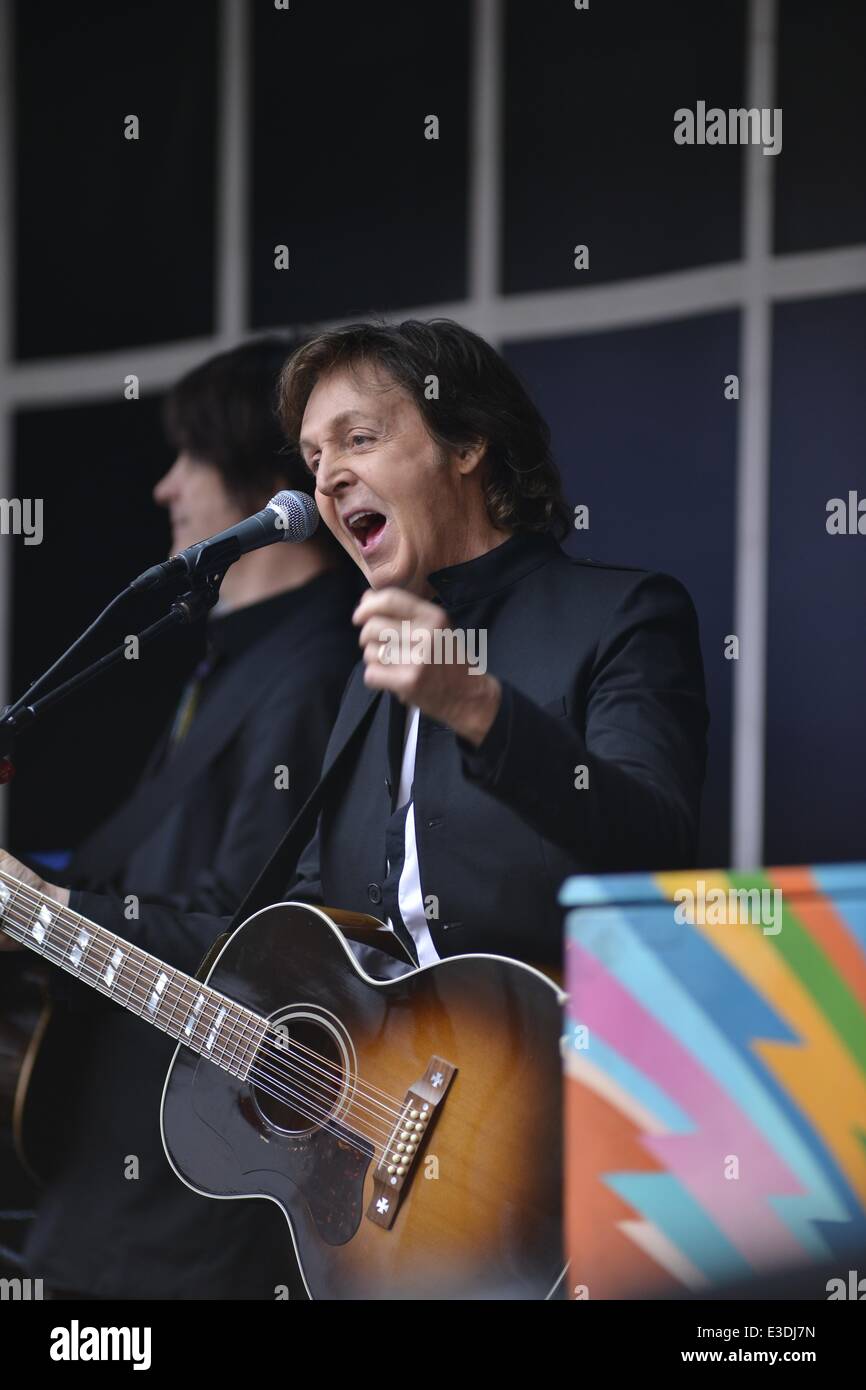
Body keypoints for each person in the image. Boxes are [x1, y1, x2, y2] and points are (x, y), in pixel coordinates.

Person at [1, 317, 708, 1289]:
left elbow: (656, 846)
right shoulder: (364, 678)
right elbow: (276, 932)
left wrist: (475, 705)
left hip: (568, 1129)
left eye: (359, 438)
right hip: (397, 1199)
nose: (325, 476)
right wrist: (44, 915)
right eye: (311, 453)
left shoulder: (620, 613)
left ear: (469, 444)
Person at [1, 336, 361, 1299]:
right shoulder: (240, 658)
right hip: (112, 1158)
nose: (166, 487)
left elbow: (249, 935)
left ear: (263, 478)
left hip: (178, 1189)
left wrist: (56, 905)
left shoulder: (311, 671)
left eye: (191, 455)